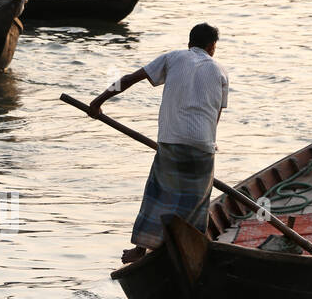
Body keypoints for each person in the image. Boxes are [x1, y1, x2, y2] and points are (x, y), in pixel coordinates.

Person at [88, 22, 228, 265]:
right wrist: (209, 142)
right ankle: (193, 250)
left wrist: (98, 101)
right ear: (212, 46)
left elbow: (131, 79)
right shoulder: (221, 71)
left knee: (158, 193)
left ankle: (141, 250)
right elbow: (215, 114)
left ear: (189, 43)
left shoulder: (173, 57)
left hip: (172, 141)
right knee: (196, 200)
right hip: (203, 145)